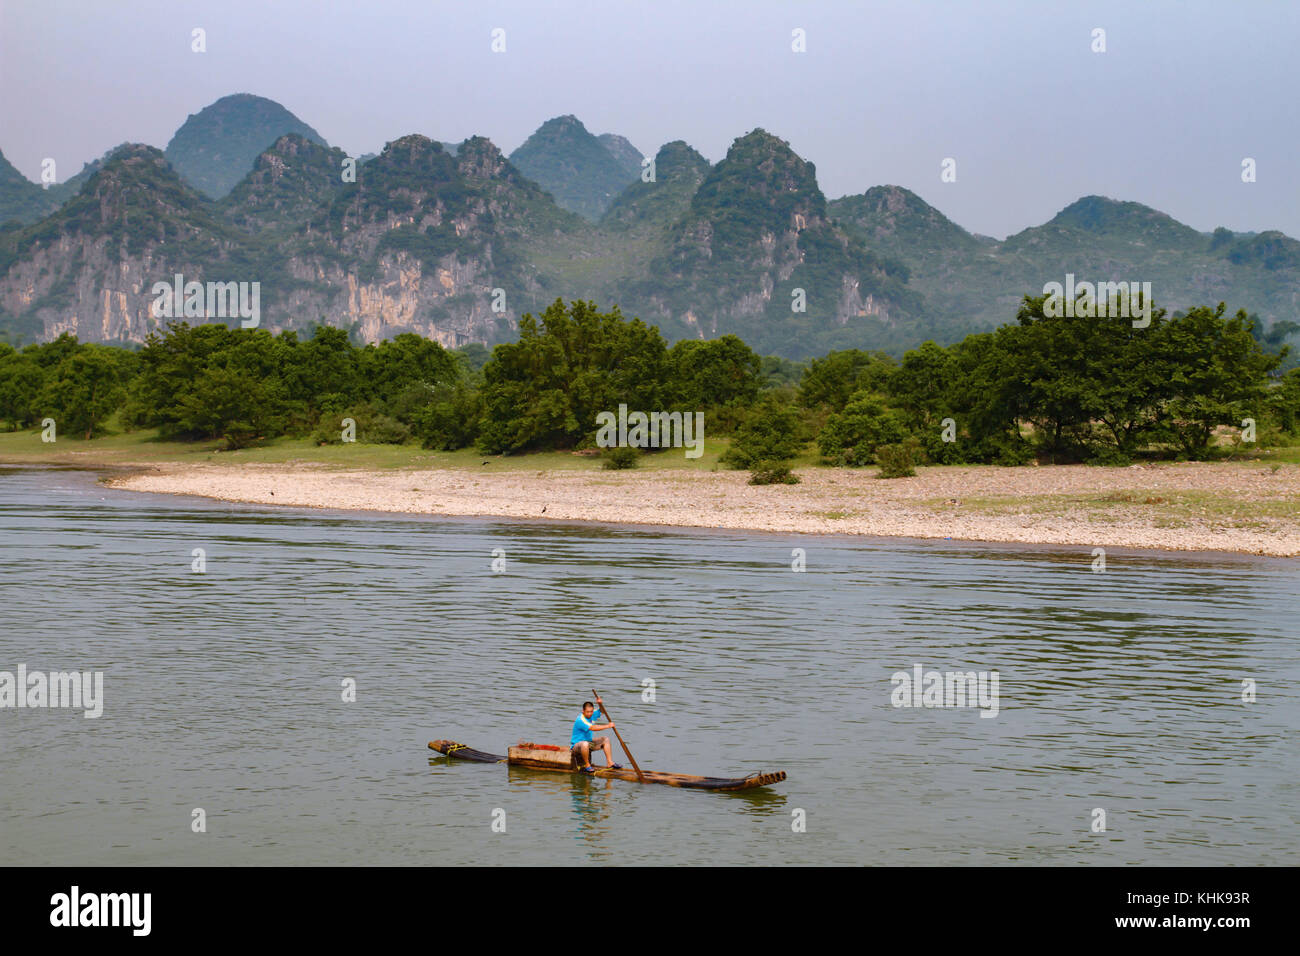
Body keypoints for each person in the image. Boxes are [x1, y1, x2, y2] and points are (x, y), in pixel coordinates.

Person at [571, 695, 622, 773]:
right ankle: (587, 765)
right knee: (585, 744)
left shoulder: (591, 714)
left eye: (591, 711)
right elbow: (593, 728)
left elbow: (602, 711)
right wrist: (608, 726)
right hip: (577, 746)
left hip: (588, 743)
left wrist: (600, 704)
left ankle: (610, 762)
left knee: (605, 739)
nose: (590, 714)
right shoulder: (580, 720)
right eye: (587, 712)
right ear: (583, 711)